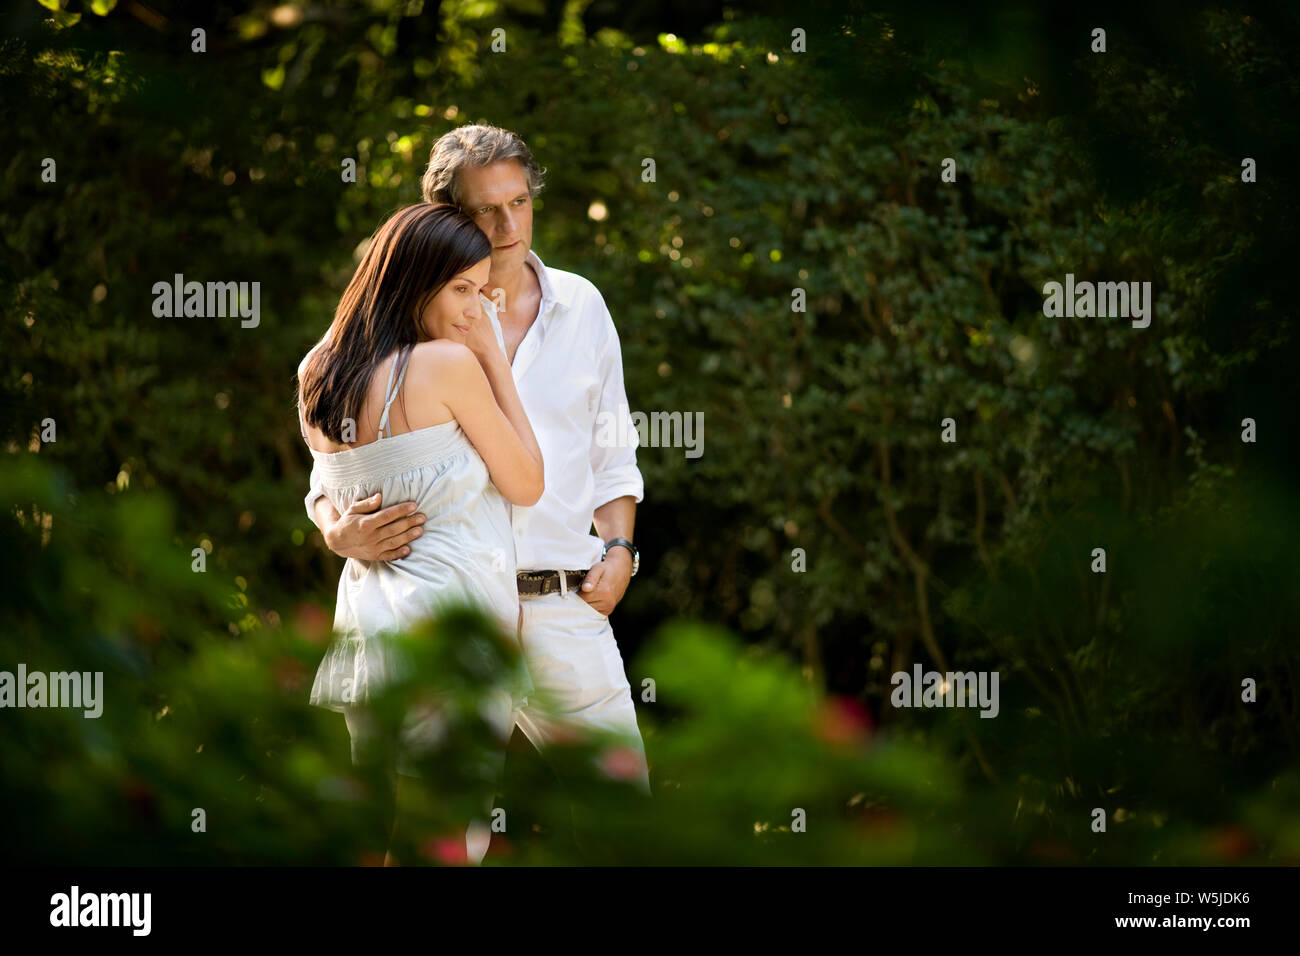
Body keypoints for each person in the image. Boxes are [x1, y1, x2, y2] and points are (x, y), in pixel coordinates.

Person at [303, 125, 652, 809]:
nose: (506, 225)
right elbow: (333, 472)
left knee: (622, 817)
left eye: (519, 203)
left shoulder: (582, 307)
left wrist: (620, 546)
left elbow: (613, 450)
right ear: (446, 216)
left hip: (562, 604)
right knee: (444, 825)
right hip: (445, 614)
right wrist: (333, 531)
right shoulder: (385, 331)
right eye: (485, 210)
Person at [296, 201, 544, 865]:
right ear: (415, 280)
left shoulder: (317, 371)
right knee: (442, 837)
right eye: (461, 290)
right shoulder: (445, 365)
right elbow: (526, 481)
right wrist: (492, 355)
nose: (473, 309)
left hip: (369, 625)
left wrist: (334, 532)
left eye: (481, 292)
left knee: (377, 831)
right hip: (450, 626)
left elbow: (324, 490)